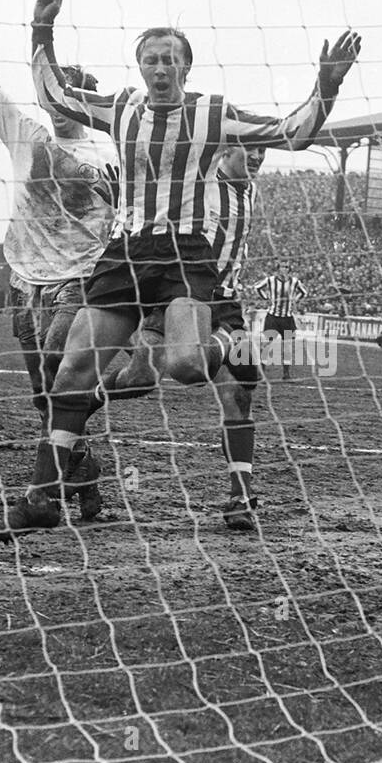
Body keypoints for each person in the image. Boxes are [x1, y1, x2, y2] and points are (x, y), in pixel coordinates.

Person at [0, 0, 359, 539]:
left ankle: (229, 343)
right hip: (126, 252)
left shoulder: (213, 114)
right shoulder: (122, 110)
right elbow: (55, 97)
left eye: (170, 59)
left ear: (185, 66)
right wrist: (42, 30)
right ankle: (41, 500)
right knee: (72, 371)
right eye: (151, 59)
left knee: (185, 365)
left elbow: (293, 134)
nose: (160, 67)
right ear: (140, 66)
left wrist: (326, 86)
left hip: (185, 254)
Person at [0, 0, 118, 535]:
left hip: (79, 283)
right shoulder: (29, 136)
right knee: (47, 397)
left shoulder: (114, 153)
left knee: (64, 381)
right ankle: (85, 482)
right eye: (54, 92)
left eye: (70, 93)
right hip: (25, 282)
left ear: (84, 102)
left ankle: (42, 498)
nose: (59, 104)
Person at [93, 144, 267, 529]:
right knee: (142, 376)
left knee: (238, 395)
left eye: (262, 151)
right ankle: (86, 400)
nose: (257, 158)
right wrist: (124, 196)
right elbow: (159, 198)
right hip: (180, 295)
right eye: (249, 150)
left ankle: (240, 499)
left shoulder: (252, 189)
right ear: (224, 152)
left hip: (224, 301)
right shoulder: (201, 184)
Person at [253, 265, 307, 380]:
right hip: (273, 317)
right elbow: (257, 288)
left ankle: (286, 374)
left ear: (289, 270)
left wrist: (295, 300)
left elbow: (304, 292)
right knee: (266, 344)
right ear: (278, 269)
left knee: (287, 346)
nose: (284, 269)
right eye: (282, 266)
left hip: (287, 319)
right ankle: (261, 373)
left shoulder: (295, 281)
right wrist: (266, 297)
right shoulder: (270, 280)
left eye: (286, 267)